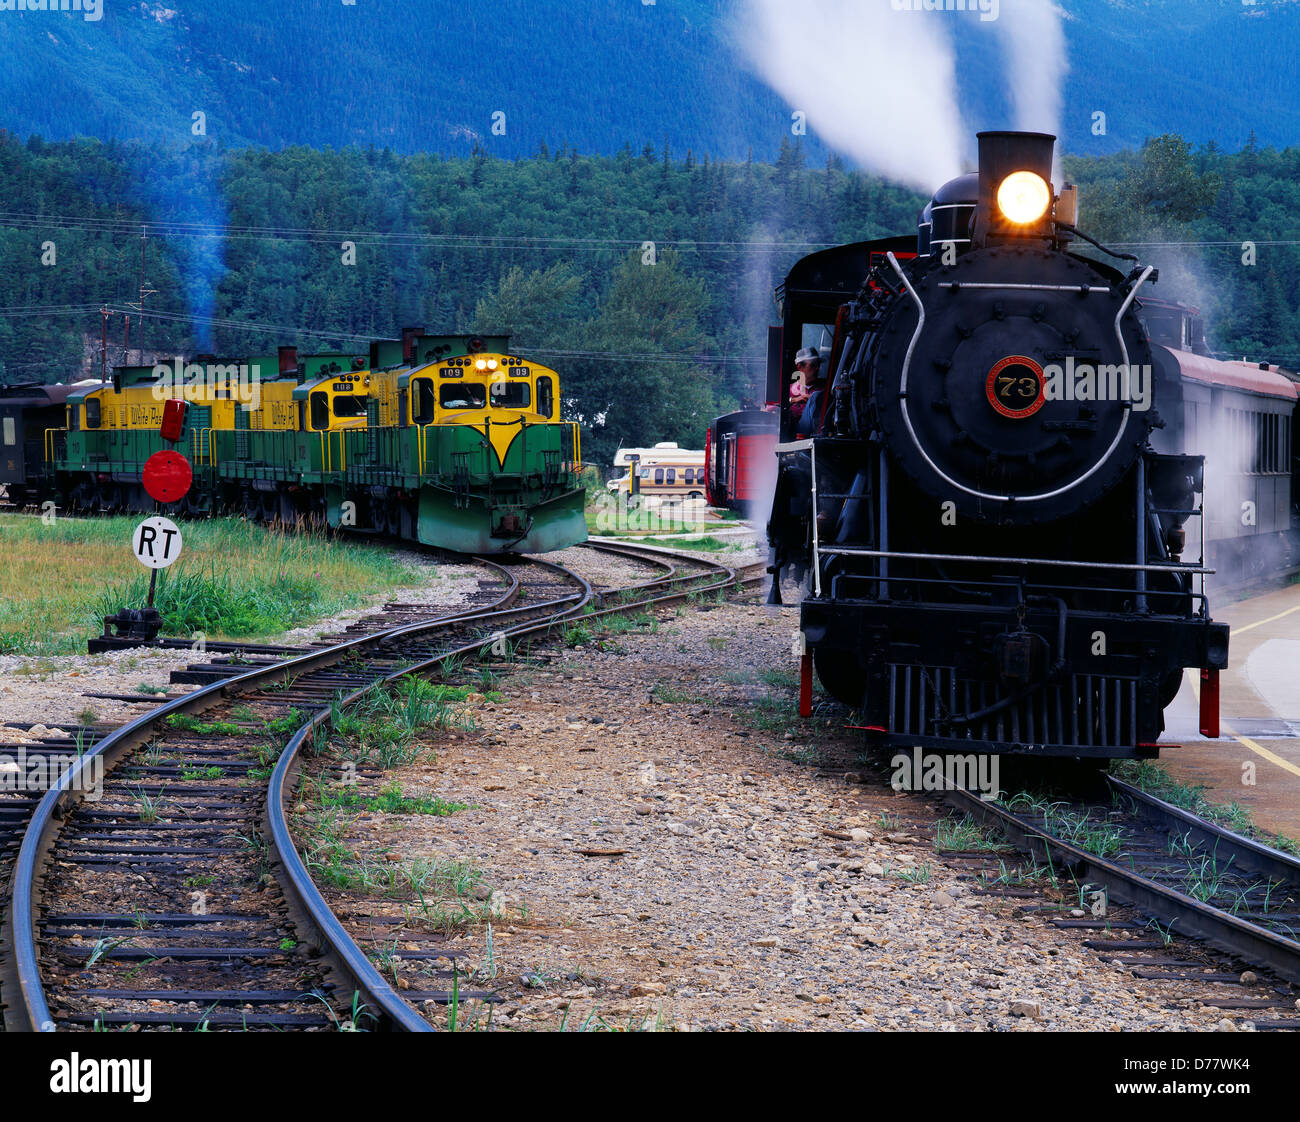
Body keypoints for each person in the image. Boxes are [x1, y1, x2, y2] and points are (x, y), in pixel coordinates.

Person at [788, 347, 821, 420]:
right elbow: (771, 408)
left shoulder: (826, 388)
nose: (817, 368)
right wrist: (793, 400)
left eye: (818, 365)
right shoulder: (789, 390)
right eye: (813, 365)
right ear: (800, 367)